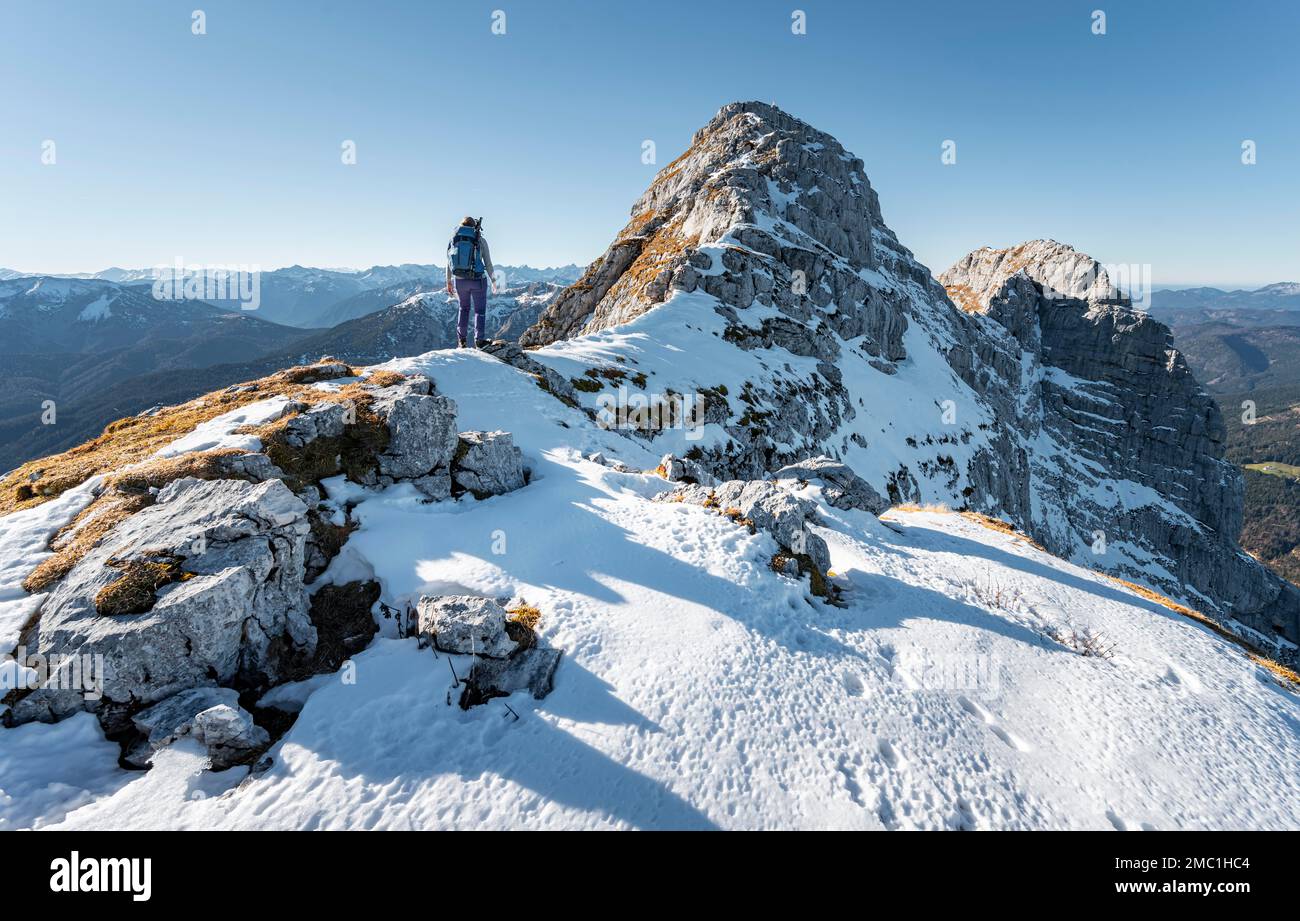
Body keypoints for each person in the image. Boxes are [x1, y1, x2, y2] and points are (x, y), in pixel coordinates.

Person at [445, 216, 498, 348]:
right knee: (479, 311)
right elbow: (488, 263)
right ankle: (479, 340)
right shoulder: (480, 240)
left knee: (463, 309)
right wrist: (494, 280)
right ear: (475, 226)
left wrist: (448, 281)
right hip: (477, 280)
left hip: (460, 281)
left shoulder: (453, 239)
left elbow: (449, 262)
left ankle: (461, 341)